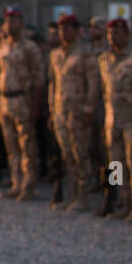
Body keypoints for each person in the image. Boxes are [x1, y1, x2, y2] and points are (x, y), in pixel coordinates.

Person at [97, 19, 132, 222]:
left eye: (117, 33)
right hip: (113, 120)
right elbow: (105, 91)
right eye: (110, 33)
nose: (113, 37)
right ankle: (124, 201)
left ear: (126, 35)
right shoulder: (104, 58)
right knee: (116, 165)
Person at [48, 13, 100, 211]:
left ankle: (84, 196)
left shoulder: (85, 53)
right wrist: (52, 111)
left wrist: (88, 108)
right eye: (61, 29)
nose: (63, 33)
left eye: (67, 29)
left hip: (79, 112)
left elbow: (93, 83)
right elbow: (53, 84)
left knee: (82, 155)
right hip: (61, 112)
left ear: (77, 31)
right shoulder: (56, 54)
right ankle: (72, 194)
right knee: (68, 155)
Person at [0, 6, 45, 201]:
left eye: (14, 20)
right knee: (11, 145)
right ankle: (16, 183)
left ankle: (28, 185)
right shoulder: (3, 46)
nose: (10, 24)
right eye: (7, 20)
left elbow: (38, 79)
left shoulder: (30, 47)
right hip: (5, 99)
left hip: (22, 99)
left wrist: (35, 106)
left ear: (21, 23)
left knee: (27, 146)